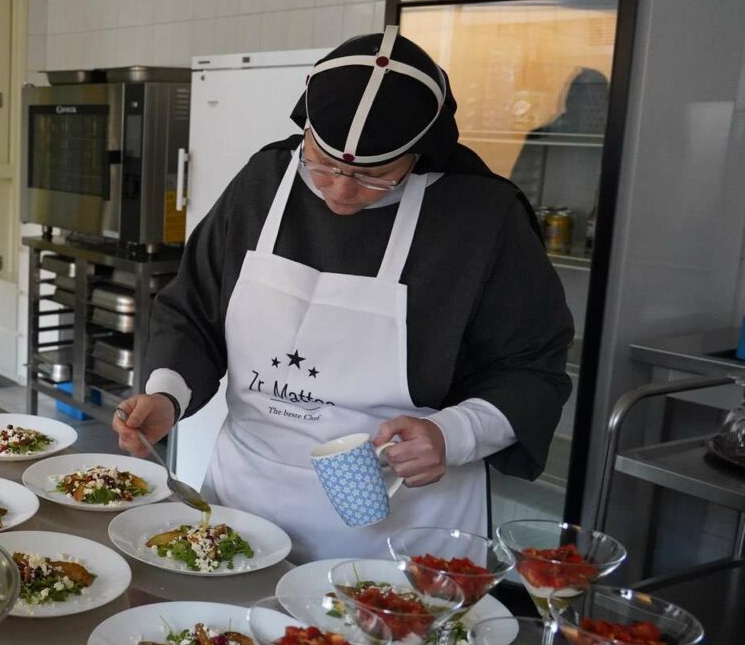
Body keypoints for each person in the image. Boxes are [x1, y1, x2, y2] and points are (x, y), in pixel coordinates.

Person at [113, 29, 573, 561]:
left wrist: (454, 433)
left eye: (374, 176)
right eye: (322, 163)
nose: (340, 190)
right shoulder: (266, 181)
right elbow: (193, 309)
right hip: (245, 502)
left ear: (420, 154)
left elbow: (531, 367)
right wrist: (167, 395)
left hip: (404, 526)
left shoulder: (481, 217)